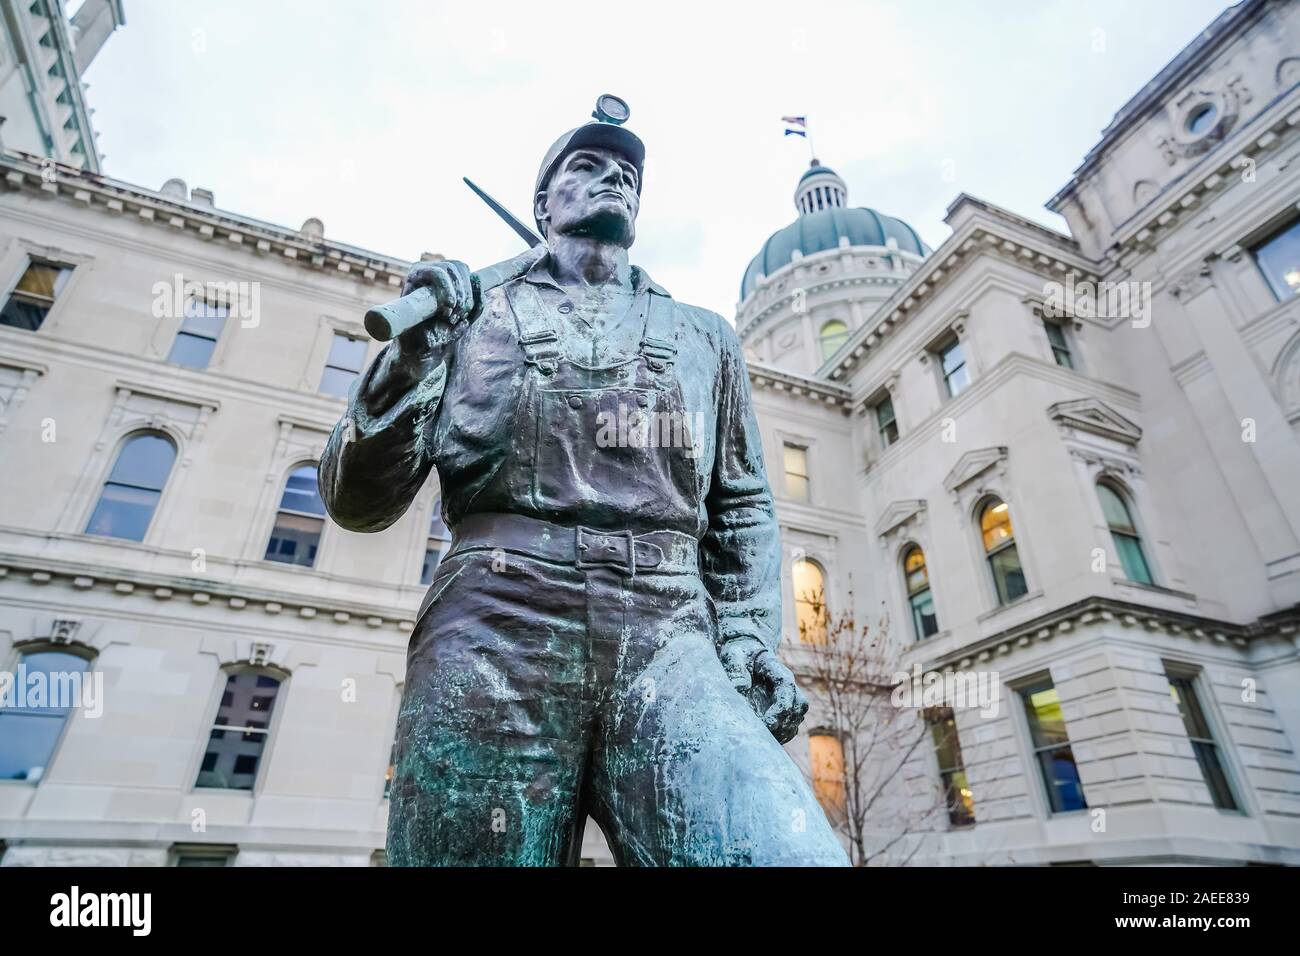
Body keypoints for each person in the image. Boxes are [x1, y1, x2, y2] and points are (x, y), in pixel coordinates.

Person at [320, 97, 848, 866]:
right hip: (496, 621)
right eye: (588, 166)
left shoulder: (705, 338)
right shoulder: (468, 314)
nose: (615, 180)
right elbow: (359, 502)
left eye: (628, 173)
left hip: (669, 635)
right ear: (544, 204)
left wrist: (743, 634)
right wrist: (409, 364)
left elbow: (741, 505)